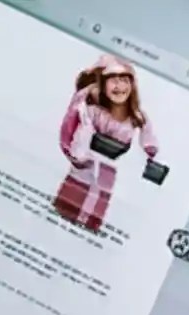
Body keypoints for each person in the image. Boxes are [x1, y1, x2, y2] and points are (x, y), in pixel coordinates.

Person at [53, 56, 159, 232]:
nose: (119, 87)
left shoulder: (134, 115)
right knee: (79, 182)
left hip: (112, 160)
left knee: (103, 187)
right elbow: (82, 125)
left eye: (124, 81)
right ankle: (65, 212)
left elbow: (147, 132)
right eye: (114, 81)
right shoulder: (93, 108)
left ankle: (92, 224)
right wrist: (78, 151)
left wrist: (150, 150)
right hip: (87, 156)